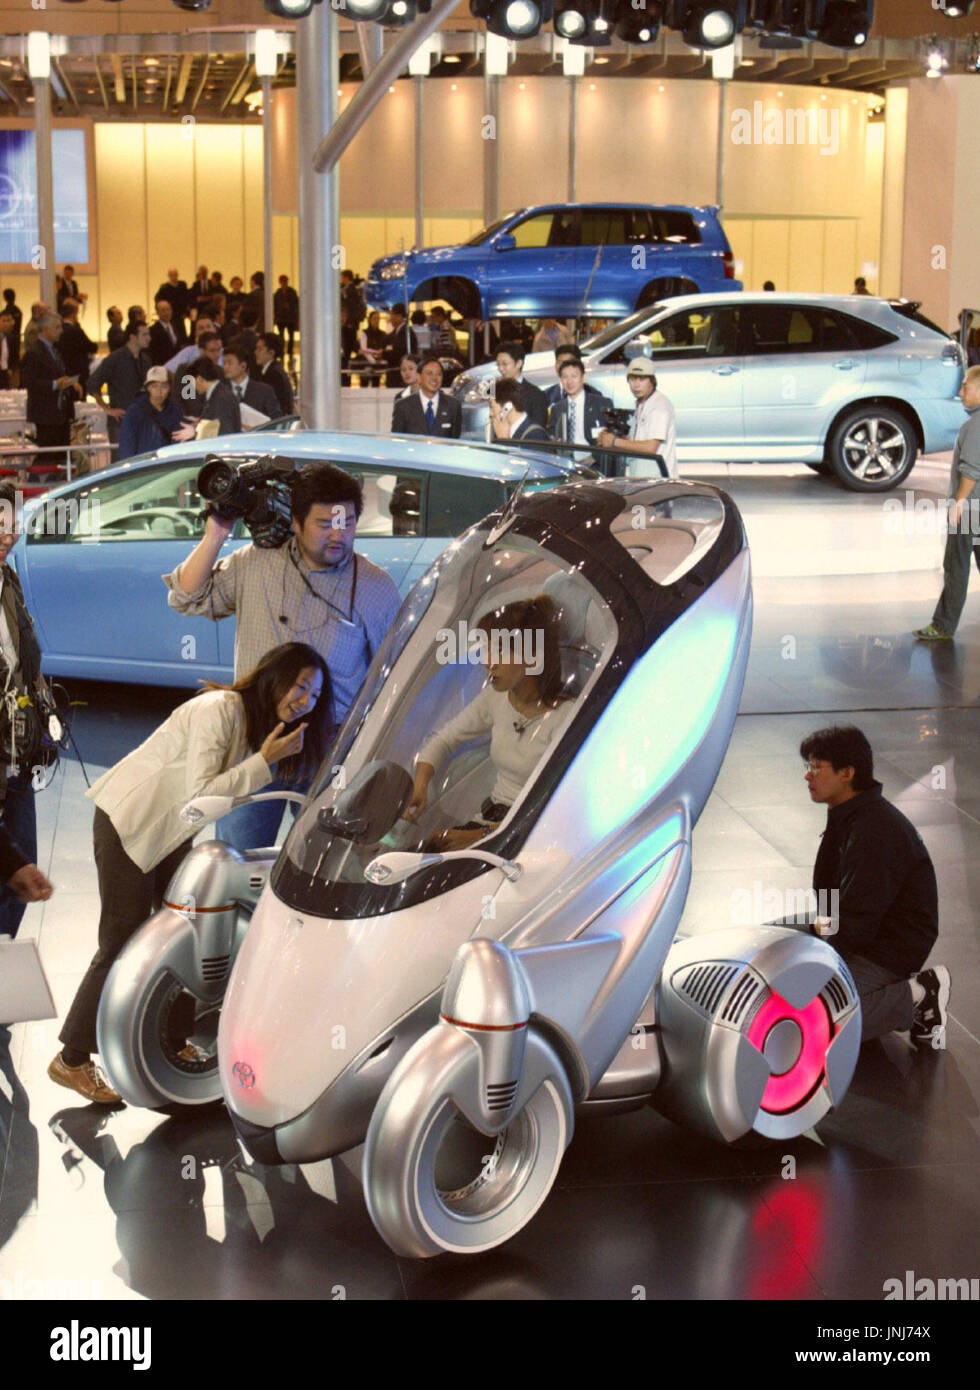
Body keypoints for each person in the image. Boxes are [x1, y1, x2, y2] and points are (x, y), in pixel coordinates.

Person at [47, 642, 333, 1104]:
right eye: (301, 686)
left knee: (189, 922)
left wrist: (265, 759)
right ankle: (72, 1059)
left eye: (316, 696)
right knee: (122, 937)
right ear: (275, 677)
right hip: (130, 822)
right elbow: (201, 793)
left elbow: (204, 801)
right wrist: (265, 763)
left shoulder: (253, 724)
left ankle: (176, 1040)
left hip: (167, 831)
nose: (306, 700)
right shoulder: (220, 709)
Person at [163, 462, 401, 847]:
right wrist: (216, 535)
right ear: (295, 521)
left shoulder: (375, 587)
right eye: (325, 524)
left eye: (348, 523)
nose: (338, 535)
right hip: (253, 744)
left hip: (329, 749)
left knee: (323, 866)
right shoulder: (254, 563)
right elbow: (185, 597)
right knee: (236, 859)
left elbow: (391, 676)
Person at [796, 725, 948, 1048]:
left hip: (884, 949)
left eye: (816, 767)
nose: (807, 776)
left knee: (815, 1023)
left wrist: (814, 963)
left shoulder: (875, 832)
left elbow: (858, 924)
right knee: (770, 941)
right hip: (850, 927)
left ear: (847, 773)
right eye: (807, 766)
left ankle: (919, 995)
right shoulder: (846, 815)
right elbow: (830, 896)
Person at [406, 595, 573, 852]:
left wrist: (478, 836)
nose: (488, 662)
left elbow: (555, 809)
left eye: (499, 651)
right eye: (486, 650)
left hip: (528, 837)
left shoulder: (565, 717)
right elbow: (444, 739)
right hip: (491, 823)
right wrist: (420, 786)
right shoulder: (496, 698)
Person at [0, 481, 54, 938]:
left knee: (21, 859)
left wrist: (45, 718)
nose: (8, 534)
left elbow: (26, 658)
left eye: (13, 525)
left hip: (18, 748)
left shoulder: (8, 580)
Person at [913, 367, 980, 641]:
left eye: (966, 387)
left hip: (970, 509)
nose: (960, 392)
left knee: (956, 565)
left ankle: (943, 625)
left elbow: (971, 470)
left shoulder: (974, 427)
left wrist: (959, 502)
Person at [20, 312, 83, 471]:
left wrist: (69, 382)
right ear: (46, 329)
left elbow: (56, 374)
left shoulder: (54, 351)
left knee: (61, 456)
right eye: (57, 327)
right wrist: (55, 384)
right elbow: (29, 382)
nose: (61, 330)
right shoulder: (34, 353)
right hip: (46, 414)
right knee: (48, 457)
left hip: (60, 414)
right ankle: (40, 486)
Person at [596, 358, 677, 479]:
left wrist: (614, 441)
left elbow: (650, 447)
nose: (636, 384)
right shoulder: (641, 404)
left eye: (642, 379)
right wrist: (611, 438)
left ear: (652, 381)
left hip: (660, 481)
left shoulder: (659, 406)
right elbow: (635, 442)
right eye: (632, 379)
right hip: (643, 479)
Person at [86, 321, 153, 443]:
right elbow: (93, 383)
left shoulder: (145, 360)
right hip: (121, 421)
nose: (149, 338)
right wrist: (108, 409)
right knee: (121, 457)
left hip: (143, 419)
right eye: (144, 335)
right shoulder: (115, 359)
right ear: (132, 337)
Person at [116, 366, 184, 462]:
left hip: (166, 465)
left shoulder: (175, 412)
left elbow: (177, 443)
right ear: (147, 387)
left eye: (164, 386)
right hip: (141, 466)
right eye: (154, 386)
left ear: (169, 388)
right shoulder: (134, 412)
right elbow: (126, 445)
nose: (159, 391)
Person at [547, 356, 611, 448]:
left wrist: (593, 458)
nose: (569, 381)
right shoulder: (557, 408)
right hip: (565, 458)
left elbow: (609, 439)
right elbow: (552, 435)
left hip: (593, 458)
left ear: (584, 378)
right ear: (560, 380)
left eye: (574, 376)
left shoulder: (601, 403)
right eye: (565, 377)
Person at [391, 355, 462, 437]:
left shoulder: (453, 405)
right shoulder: (403, 406)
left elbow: (455, 441)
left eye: (439, 374)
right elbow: (397, 441)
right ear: (419, 377)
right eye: (429, 373)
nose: (434, 378)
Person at [172, 356, 241, 438]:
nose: (193, 386)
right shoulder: (218, 394)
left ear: (200, 379)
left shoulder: (221, 399)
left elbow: (224, 433)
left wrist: (195, 433)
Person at [495, 340, 549, 429]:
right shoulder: (495, 390)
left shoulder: (536, 395)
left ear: (519, 363)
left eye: (504, 364)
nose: (500, 369)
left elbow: (538, 431)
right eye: (498, 364)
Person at [222, 341, 280, 422]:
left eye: (229, 363)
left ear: (243, 366)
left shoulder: (264, 391)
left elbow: (276, 421)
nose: (225, 367)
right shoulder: (221, 391)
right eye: (224, 363)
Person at [488, 378, 550, 443]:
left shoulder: (535, 435)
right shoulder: (505, 431)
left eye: (492, 407)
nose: (491, 413)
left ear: (507, 407)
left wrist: (504, 440)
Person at [58, 299, 97, 391]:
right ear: (73, 314)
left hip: (63, 371)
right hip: (78, 372)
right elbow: (92, 347)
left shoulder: (58, 330)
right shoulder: (76, 331)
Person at [253, 333, 295, 417]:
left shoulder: (273, 374)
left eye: (260, 349)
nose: (255, 352)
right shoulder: (272, 370)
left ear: (271, 353)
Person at [383, 303, 417, 387]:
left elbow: (399, 352)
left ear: (399, 316)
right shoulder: (394, 333)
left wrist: (384, 353)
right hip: (393, 374)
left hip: (401, 376)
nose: (390, 318)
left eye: (392, 314)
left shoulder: (406, 332)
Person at [148, 298, 185, 366]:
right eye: (163, 310)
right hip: (163, 366)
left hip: (178, 366)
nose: (166, 313)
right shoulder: (152, 330)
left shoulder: (178, 327)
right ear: (157, 312)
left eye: (168, 309)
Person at [155, 268, 190, 333]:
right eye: (171, 275)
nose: (174, 277)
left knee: (181, 331)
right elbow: (158, 300)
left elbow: (187, 298)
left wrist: (186, 311)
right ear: (169, 276)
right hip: (170, 314)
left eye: (175, 274)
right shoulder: (164, 287)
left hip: (180, 314)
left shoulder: (182, 285)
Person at [274, 275, 299, 364]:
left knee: (291, 336)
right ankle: (282, 352)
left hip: (290, 319)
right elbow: (275, 307)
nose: (284, 283)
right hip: (281, 319)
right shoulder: (278, 293)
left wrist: (296, 318)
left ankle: (290, 352)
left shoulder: (292, 292)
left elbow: (296, 305)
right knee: (281, 337)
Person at [0, 309, 19, 389]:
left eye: (9, 320)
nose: (6, 324)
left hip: (6, 374)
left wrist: (11, 369)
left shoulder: (12, 339)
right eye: (3, 321)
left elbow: (14, 357)